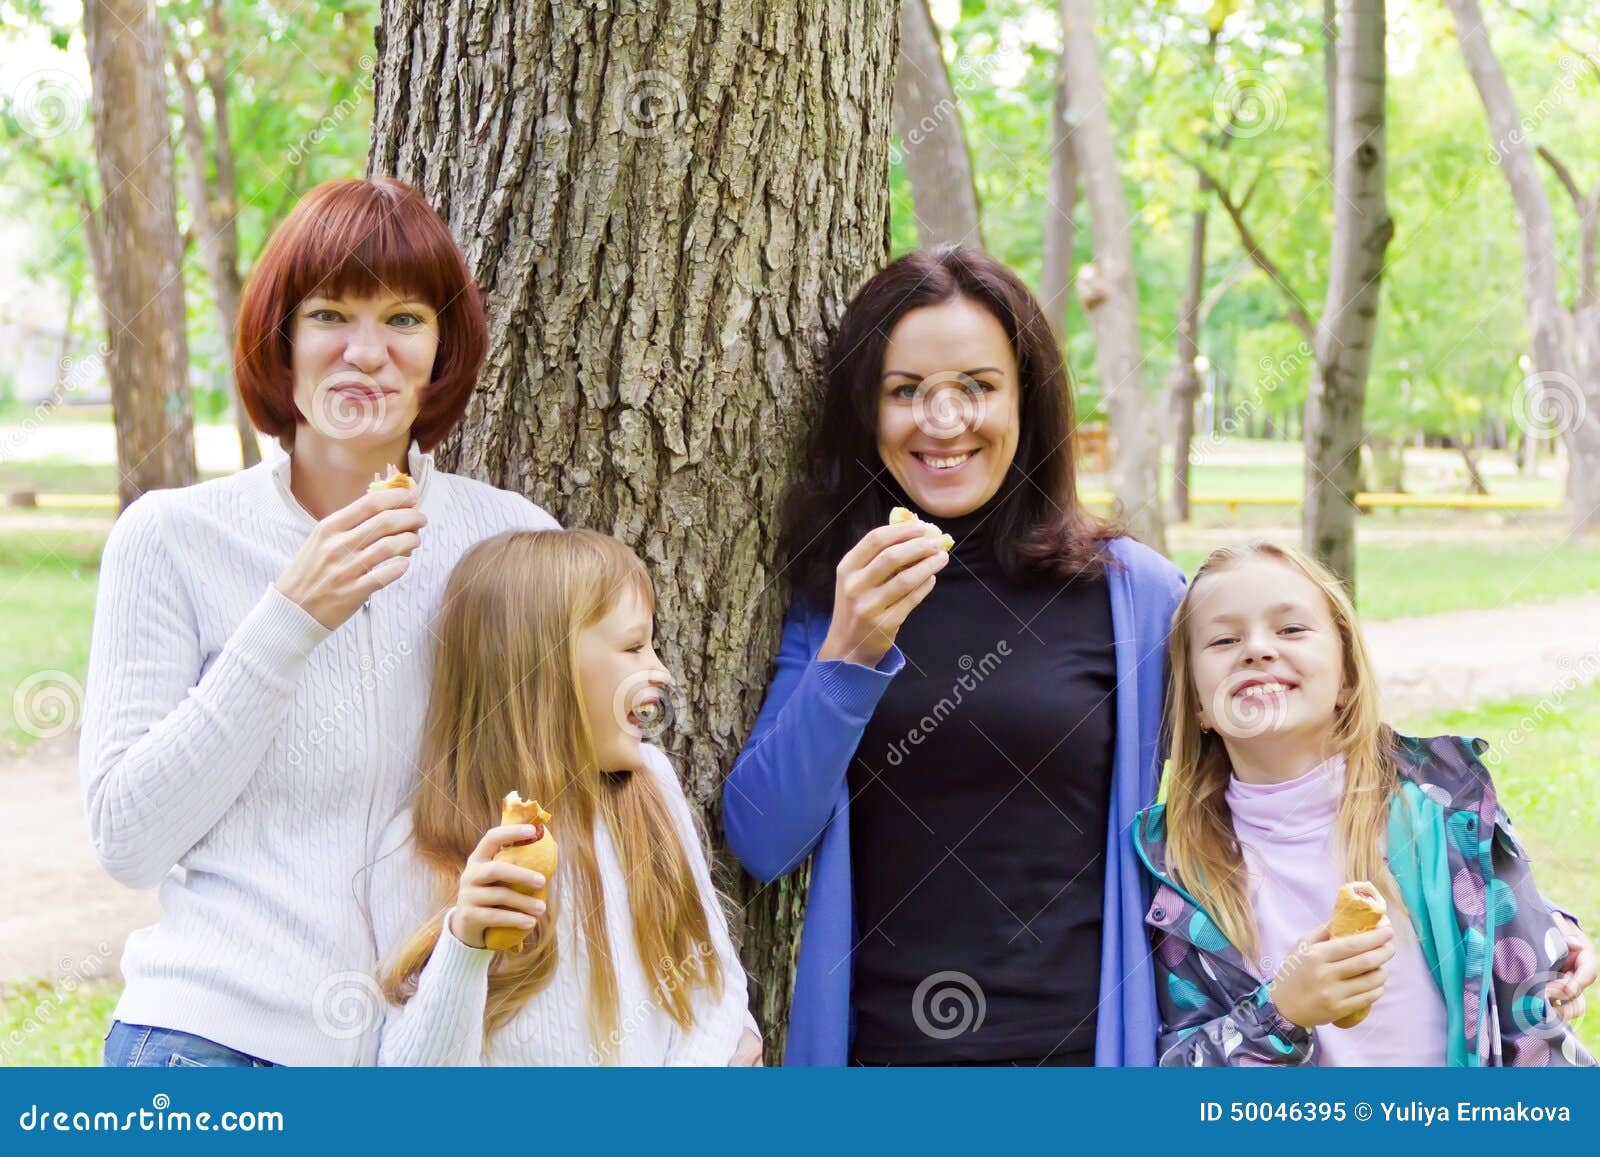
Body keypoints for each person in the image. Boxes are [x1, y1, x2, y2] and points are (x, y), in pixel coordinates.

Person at [85, 177, 557, 1067]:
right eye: (331, 313)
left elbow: (582, 797)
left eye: (406, 319)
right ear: (283, 340)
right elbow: (127, 840)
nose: (367, 353)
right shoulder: (173, 537)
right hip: (212, 1042)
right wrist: (290, 617)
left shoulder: (513, 539)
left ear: (443, 351)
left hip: (437, 1050)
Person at [723, 246, 1184, 1066]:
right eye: (905, 391)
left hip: (1085, 1066)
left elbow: (1248, 800)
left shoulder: (1133, 596)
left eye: (977, 386)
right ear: (866, 411)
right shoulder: (837, 594)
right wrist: (849, 654)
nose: (943, 421)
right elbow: (763, 840)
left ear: (1027, 401)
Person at [1135, 540, 1596, 1066]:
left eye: (1290, 629)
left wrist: (1546, 924)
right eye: (1223, 639)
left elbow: (1530, 1030)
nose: (1258, 650)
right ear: (1196, 703)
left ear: (1346, 678)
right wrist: (1281, 1013)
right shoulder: (1173, 870)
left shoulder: (1445, 813)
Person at [371, 530, 759, 1065]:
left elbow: (713, 990)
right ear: (545, 674)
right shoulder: (423, 852)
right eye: (633, 647)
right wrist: (464, 946)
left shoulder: (651, 792)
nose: (661, 672)